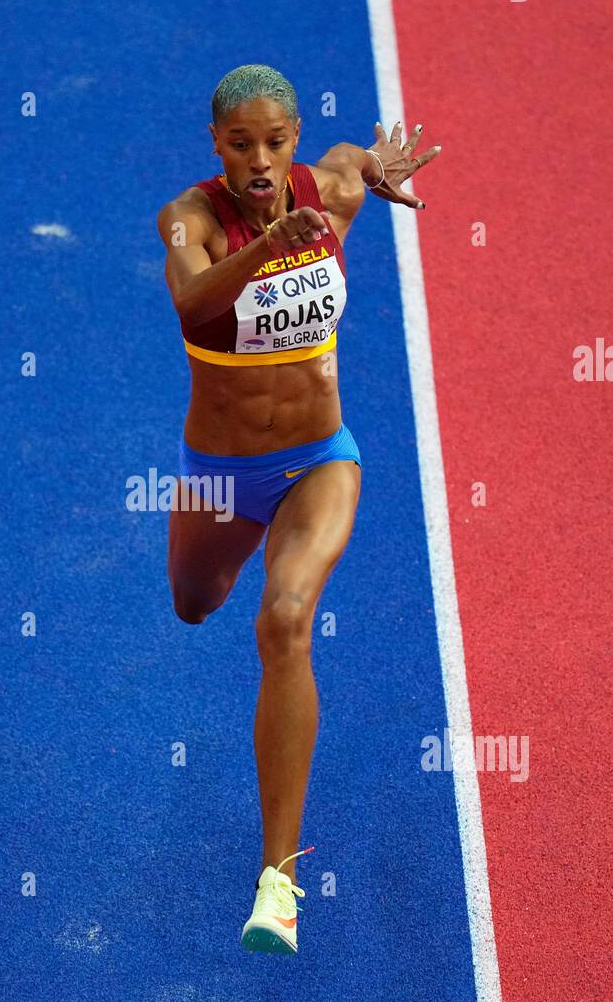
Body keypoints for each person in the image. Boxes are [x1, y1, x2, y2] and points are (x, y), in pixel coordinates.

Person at [156, 63, 441, 955]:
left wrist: (378, 168)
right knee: (195, 604)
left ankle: (277, 882)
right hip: (221, 471)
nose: (260, 159)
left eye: (276, 141)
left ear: (294, 137)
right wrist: (267, 250)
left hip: (319, 459)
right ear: (216, 145)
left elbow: (359, 158)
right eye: (240, 144)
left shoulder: (333, 188)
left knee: (285, 622)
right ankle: (234, 558)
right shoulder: (189, 219)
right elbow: (194, 309)